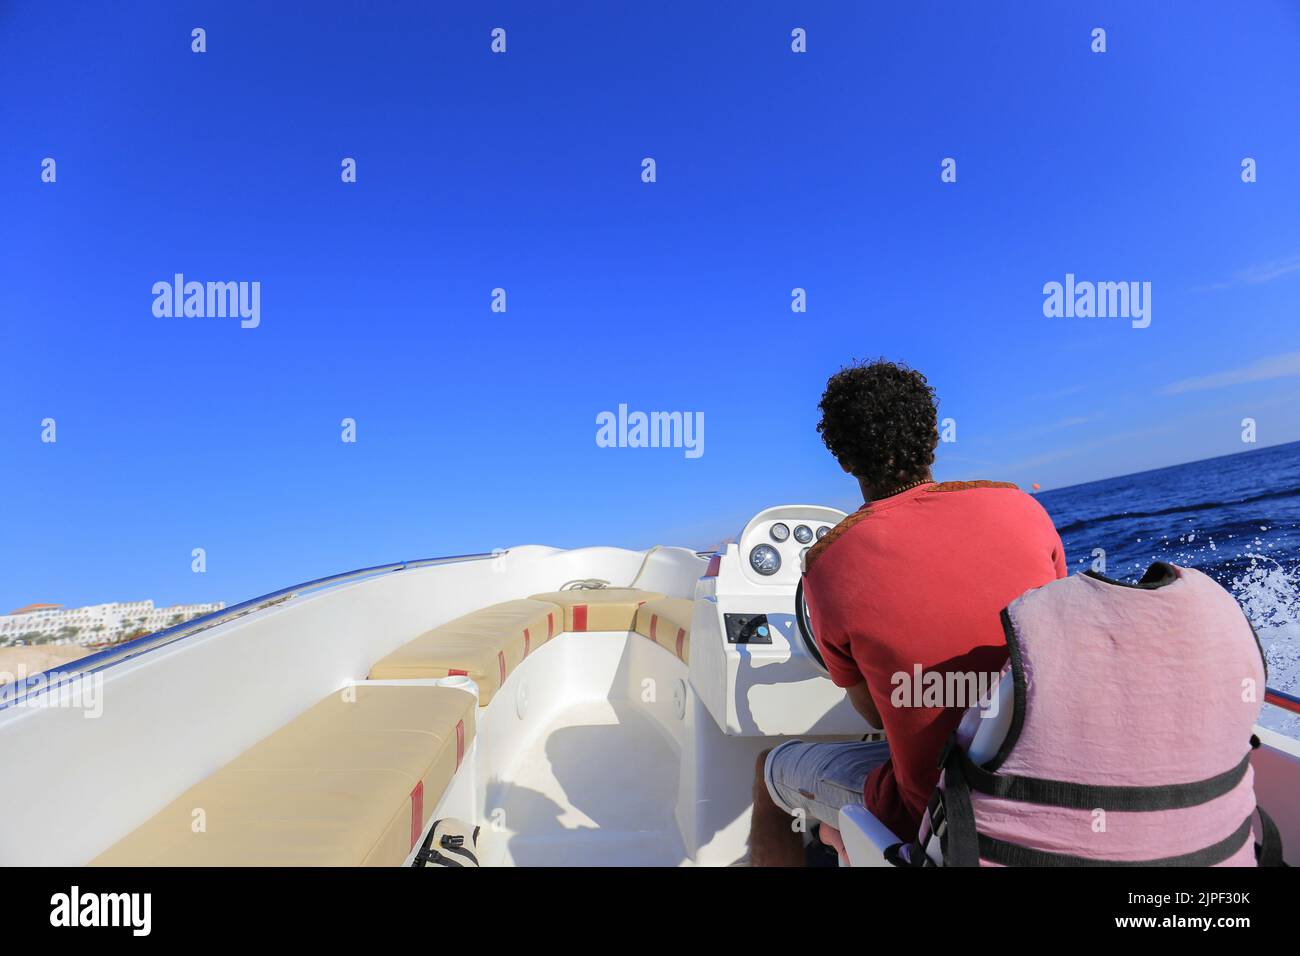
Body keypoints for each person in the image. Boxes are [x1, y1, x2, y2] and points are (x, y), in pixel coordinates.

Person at [749, 359, 1067, 866]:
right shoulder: (1023, 510)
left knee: (771, 768)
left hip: (935, 813)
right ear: (934, 437)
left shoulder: (828, 562)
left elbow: (876, 712)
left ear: (844, 460)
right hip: (1049, 789)